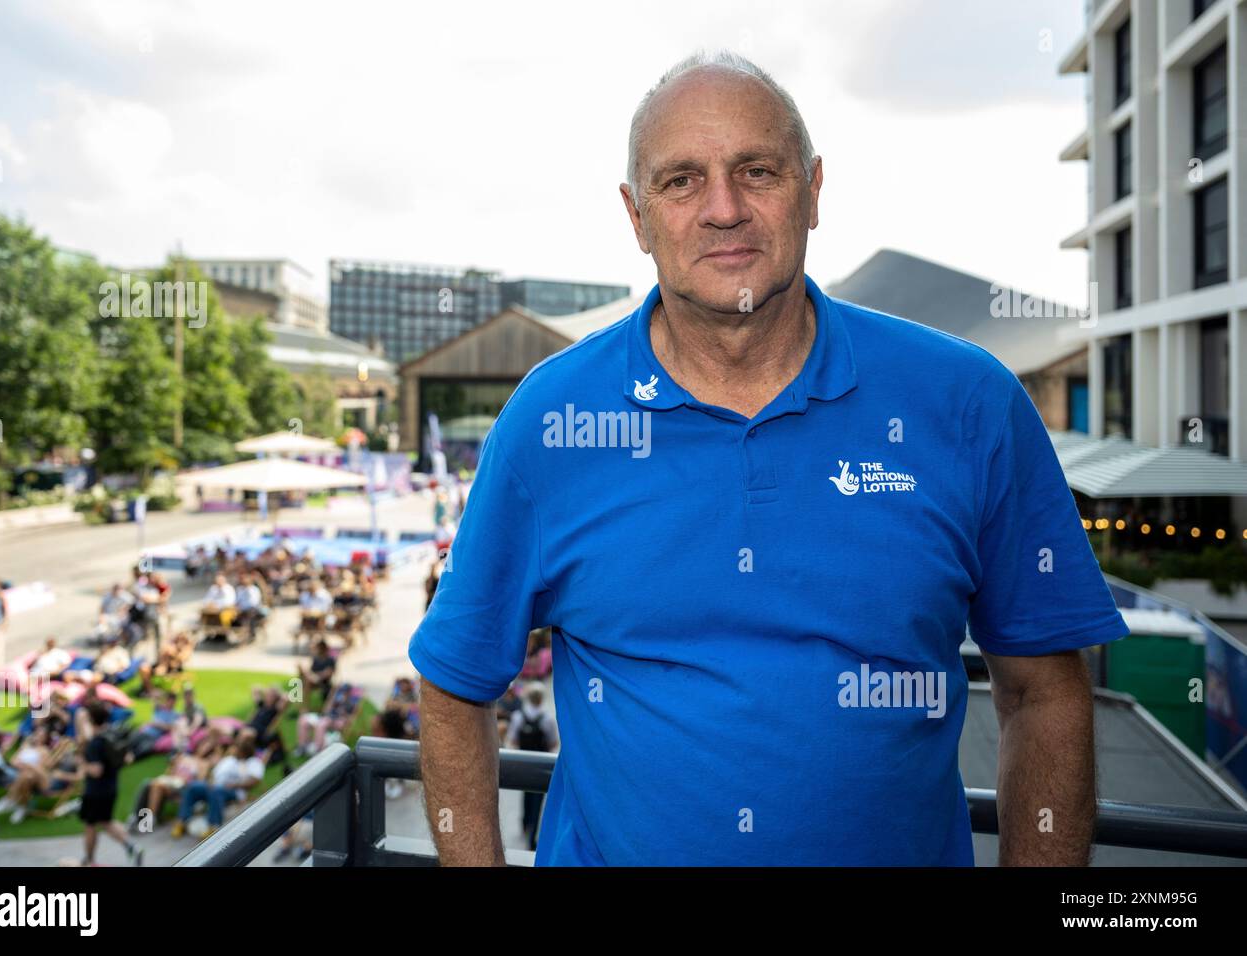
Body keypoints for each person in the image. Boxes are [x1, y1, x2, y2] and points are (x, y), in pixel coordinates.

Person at [407, 51, 1130, 867]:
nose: (724, 209)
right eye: (681, 180)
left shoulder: (970, 403)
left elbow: (1045, 693)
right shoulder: (550, 419)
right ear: (637, 216)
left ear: (813, 190)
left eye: (758, 170)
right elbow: (454, 682)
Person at [79, 700, 144, 866]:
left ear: (91, 720)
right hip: (111, 787)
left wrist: (82, 763)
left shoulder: (95, 743)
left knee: (91, 825)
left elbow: (96, 770)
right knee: (106, 822)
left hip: (95, 791)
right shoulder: (112, 735)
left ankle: (90, 861)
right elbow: (126, 759)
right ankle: (132, 847)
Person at [173, 731, 265, 840]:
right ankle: (183, 820)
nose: (233, 750)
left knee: (216, 791)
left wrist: (235, 785)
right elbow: (214, 774)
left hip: (234, 791)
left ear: (244, 751)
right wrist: (210, 782)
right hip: (214, 786)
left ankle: (213, 825)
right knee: (193, 786)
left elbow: (255, 780)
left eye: (237, 748)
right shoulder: (228, 760)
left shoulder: (254, 762)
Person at [505, 682, 559, 851]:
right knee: (538, 800)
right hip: (541, 764)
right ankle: (532, 835)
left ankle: (525, 823)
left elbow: (512, 740)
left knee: (526, 795)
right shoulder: (547, 719)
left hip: (523, 763)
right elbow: (553, 742)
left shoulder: (518, 716)